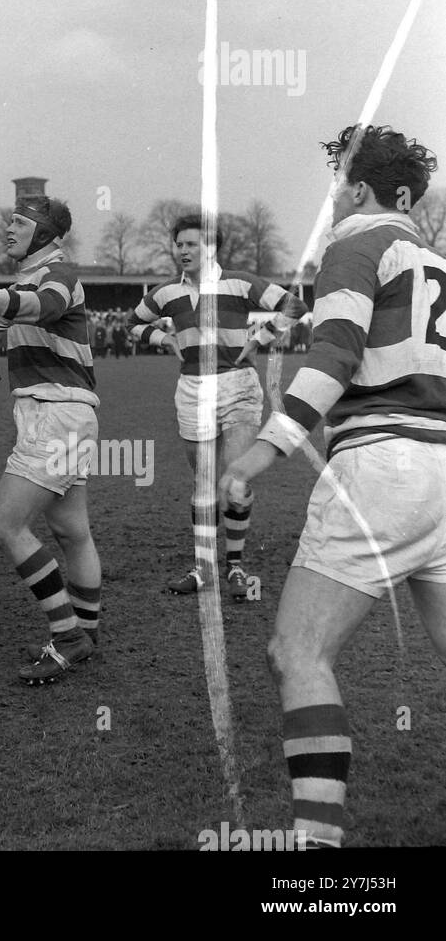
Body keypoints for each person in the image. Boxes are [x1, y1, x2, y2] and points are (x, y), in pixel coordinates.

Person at [220, 124, 445, 849]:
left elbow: (332, 359)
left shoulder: (356, 243)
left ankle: (315, 853)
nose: (335, 197)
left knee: (297, 653)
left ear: (382, 192)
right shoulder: (433, 261)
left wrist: (262, 451)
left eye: (345, 182)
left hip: (381, 469)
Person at [0, 196, 105, 685]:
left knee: (5, 526)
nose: (7, 228)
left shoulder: (58, 275)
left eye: (19, 223)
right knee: (73, 530)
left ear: (48, 236)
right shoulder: (24, 282)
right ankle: (85, 633)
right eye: (9, 220)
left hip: (55, 416)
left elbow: (39, 308)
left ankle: (68, 635)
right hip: (64, 414)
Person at [129, 215, 304, 598]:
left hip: (238, 385)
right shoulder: (165, 294)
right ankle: (203, 568)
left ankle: (236, 567)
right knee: (204, 486)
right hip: (191, 389)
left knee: (234, 481)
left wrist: (261, 336)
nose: (184, 251)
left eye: (192, 244)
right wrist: (162, 339)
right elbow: (134, 324)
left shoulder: (239, 282)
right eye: (179, 244)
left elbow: (294, 305)